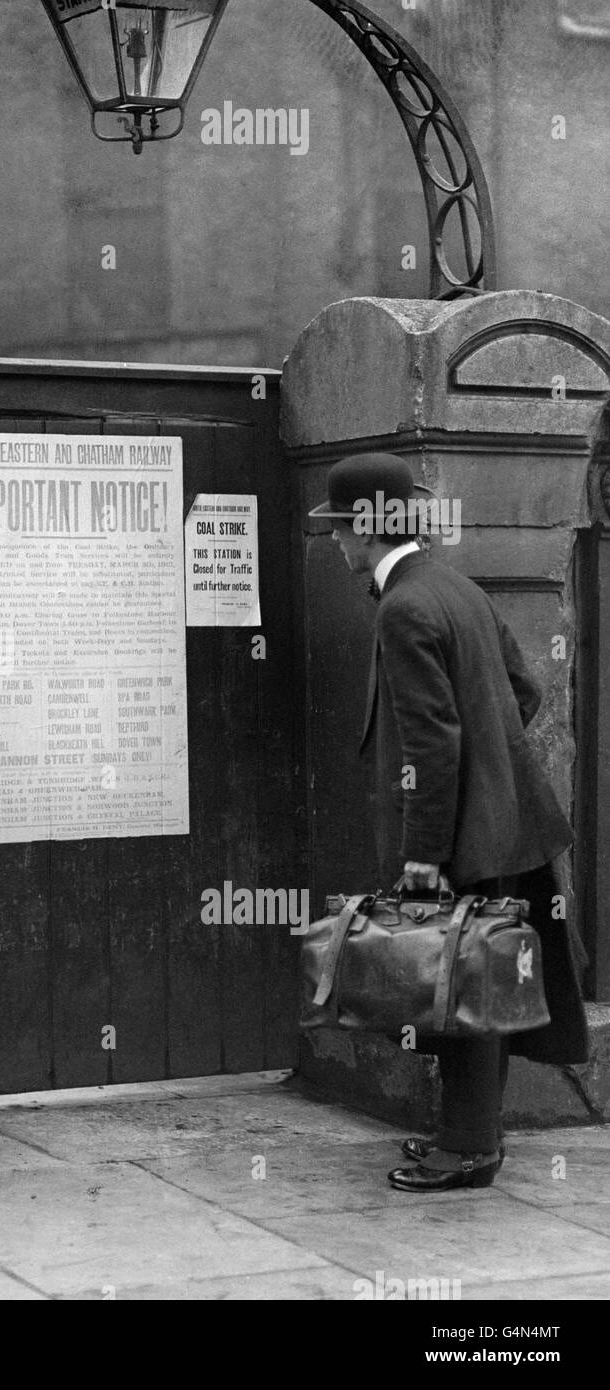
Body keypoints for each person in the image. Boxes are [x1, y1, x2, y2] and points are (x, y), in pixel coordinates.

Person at [310, 452, 589, 1192]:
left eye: (340, 528)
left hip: (463, 837)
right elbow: (524, 693)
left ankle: (468, 1149)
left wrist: (423, 856)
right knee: (483, 981)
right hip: (511, 824)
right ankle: (471, 1136)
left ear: (367, 531)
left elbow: (432, 746)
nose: (336, 542)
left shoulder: (405, 606)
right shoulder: (457, 586)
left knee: (457, 985)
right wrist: (493, 772)